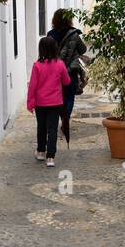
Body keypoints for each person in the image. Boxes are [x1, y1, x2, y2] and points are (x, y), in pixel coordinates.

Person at [27, 35, 70, 167]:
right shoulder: (60, 64)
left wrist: (30, 103)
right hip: (55, 103)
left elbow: (32, 86)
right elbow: (66, 81)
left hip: (41, 103)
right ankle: (50, 157)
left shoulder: (37, 66)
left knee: (41, 127)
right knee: (52, 129)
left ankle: (40, 151)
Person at [47, 8, 88, 142]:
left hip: (55, 72)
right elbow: (83, 49)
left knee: (59, 97)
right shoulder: (74, 34)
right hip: (71, 71)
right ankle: (66, 118)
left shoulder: (50, 34)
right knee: (69, 96)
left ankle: (62, 117)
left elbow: (47, 53)